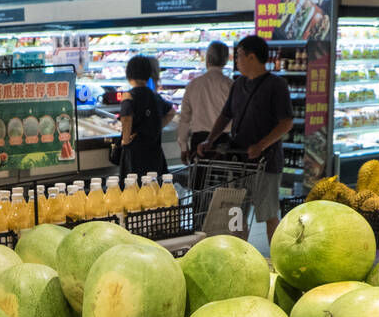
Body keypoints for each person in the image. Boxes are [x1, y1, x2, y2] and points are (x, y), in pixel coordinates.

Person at [197, 34, 293, 239]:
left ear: (251, 57)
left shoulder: (276, 85)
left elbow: (286, 122)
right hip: (239, 160)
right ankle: (240, 254)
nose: (236, 60)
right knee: (238, 212)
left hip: (266, 162)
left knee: (268, 213)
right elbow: (225, 115)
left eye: (239, 55)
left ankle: (276, 257)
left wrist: (262, 144)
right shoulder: (238, 84)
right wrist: (210, 140)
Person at [118, 54, 176, 179]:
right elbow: (171, 112)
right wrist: (157, 126)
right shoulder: (155, 96)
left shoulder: (129, 96)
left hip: (135, 155)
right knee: (153, 188)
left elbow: (126, 118)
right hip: (154, 153)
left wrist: (126, 140)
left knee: (134, 191)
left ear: (129, 75)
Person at [178, 41, 233, 164]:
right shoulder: (230, 85)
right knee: (222, 181)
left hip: (199, 141)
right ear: (225, 60)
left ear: (207, 59)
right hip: (224, 142)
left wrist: (183, 147)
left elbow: (185, 119)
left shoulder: (193, 85)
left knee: (199, 180)